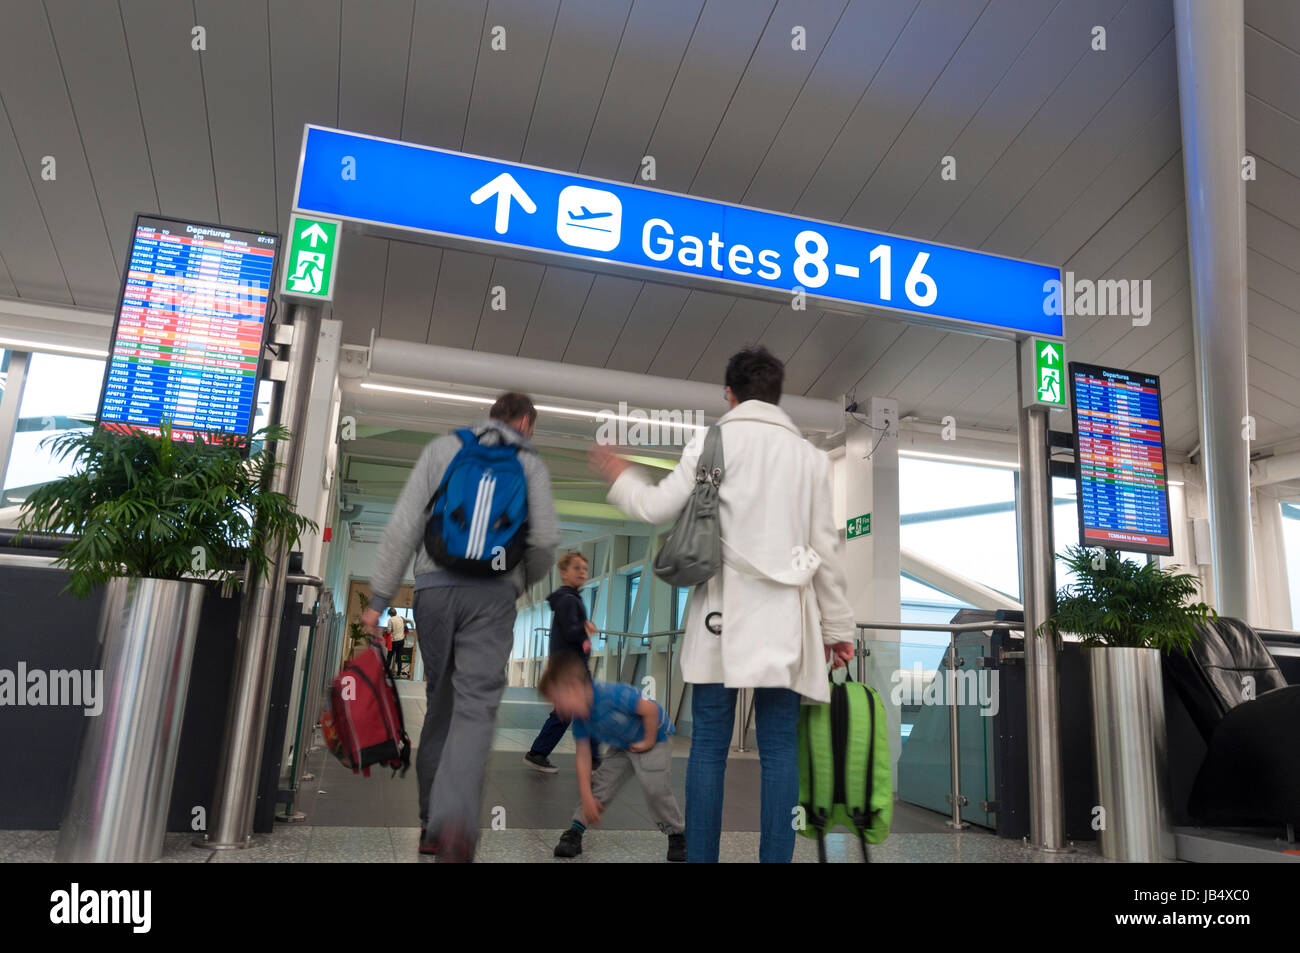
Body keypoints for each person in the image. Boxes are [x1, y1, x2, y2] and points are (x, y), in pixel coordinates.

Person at [589, 346, 856, 863]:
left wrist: (620, 473)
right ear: (778, 396)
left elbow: (655, 507)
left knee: (708, 745)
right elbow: (827, 548)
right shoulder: (810, 458)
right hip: (788, 623)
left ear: (729, 394)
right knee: (779, 749)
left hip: (720, 615)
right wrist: (837, 628)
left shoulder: (710, 441)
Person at [362, 392, 560, 862]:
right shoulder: (529, 463)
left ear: (491, 415)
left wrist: (379, 602)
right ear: (527, 424)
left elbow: (404, 527)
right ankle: (454, 826)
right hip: (492, 595)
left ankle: (431, 824)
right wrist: (516, 583)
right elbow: (546, 542)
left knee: (442, 706)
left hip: (434, 589)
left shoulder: (443, 448)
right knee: (474, 709)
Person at [539, 654, 686, 862]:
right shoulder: (581, 718)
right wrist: (587, 796)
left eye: (558, 701)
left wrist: (648, 741)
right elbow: (583, 757)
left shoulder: (612, 694)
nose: (557, 709)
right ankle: (575, 831)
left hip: (654, 737)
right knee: (598, 785)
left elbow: (650, 709)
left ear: (573, 688)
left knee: (655, 788)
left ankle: (677, 835)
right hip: (622, 745)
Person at [524, 552, 602, 773]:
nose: (582, 573)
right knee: (582, 710)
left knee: (570, 711)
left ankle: (539, 753)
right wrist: (585, 630)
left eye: (585, 569)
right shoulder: (569, 600)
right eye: (576, 568)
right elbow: (570, 632)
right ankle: (592, 760)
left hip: (568, 665)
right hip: (571, 667)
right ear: (564, 573)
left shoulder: (569, 599)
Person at [384, 608, 407, 676]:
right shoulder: (400, 618)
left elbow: (389, 631)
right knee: (399, 657)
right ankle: (398, 673)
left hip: (394, 641)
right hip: (401, 640)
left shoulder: (390, 620)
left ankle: (386, 673)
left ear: (390, 614)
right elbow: (405, 625)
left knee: (389, 657)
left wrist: (386, 631)